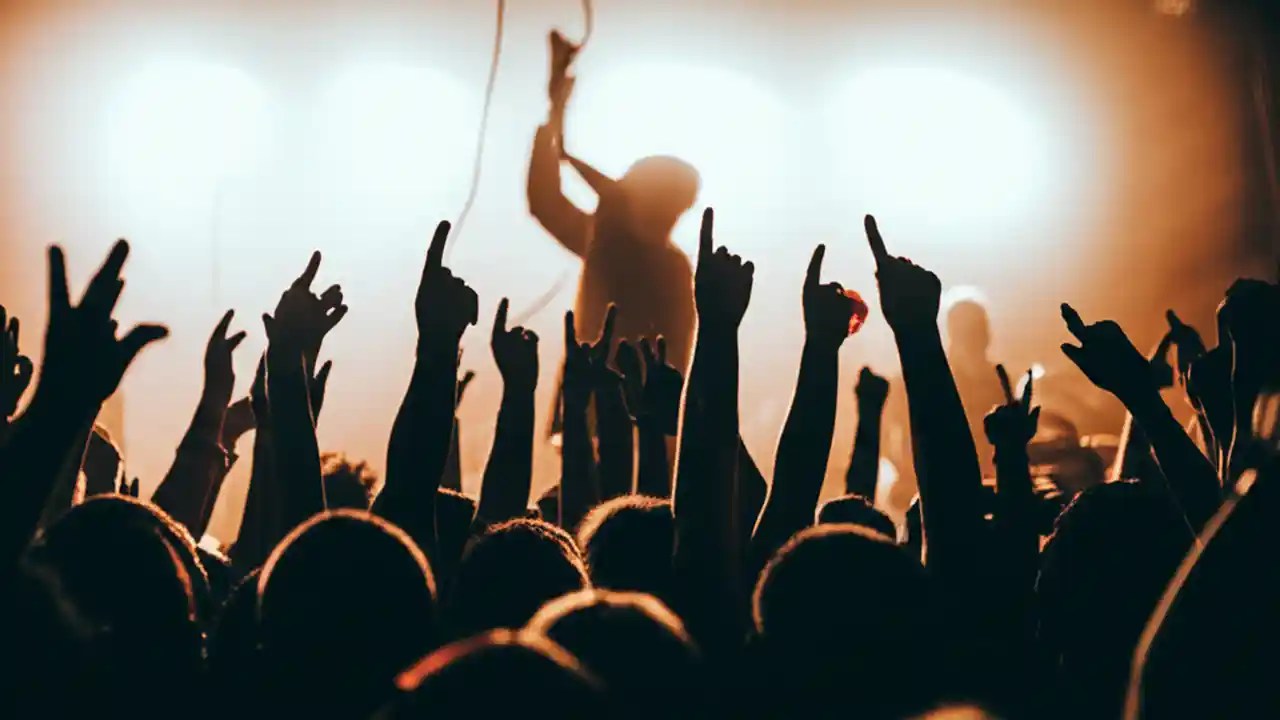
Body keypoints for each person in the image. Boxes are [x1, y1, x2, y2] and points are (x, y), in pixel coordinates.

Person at [527, 31, 699, 434]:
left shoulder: (641, 260)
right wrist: (555, 121)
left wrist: (556, 122)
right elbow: (546, 200)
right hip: (614, 428)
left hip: (631, 431)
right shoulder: (618, 248)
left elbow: (547, 201)